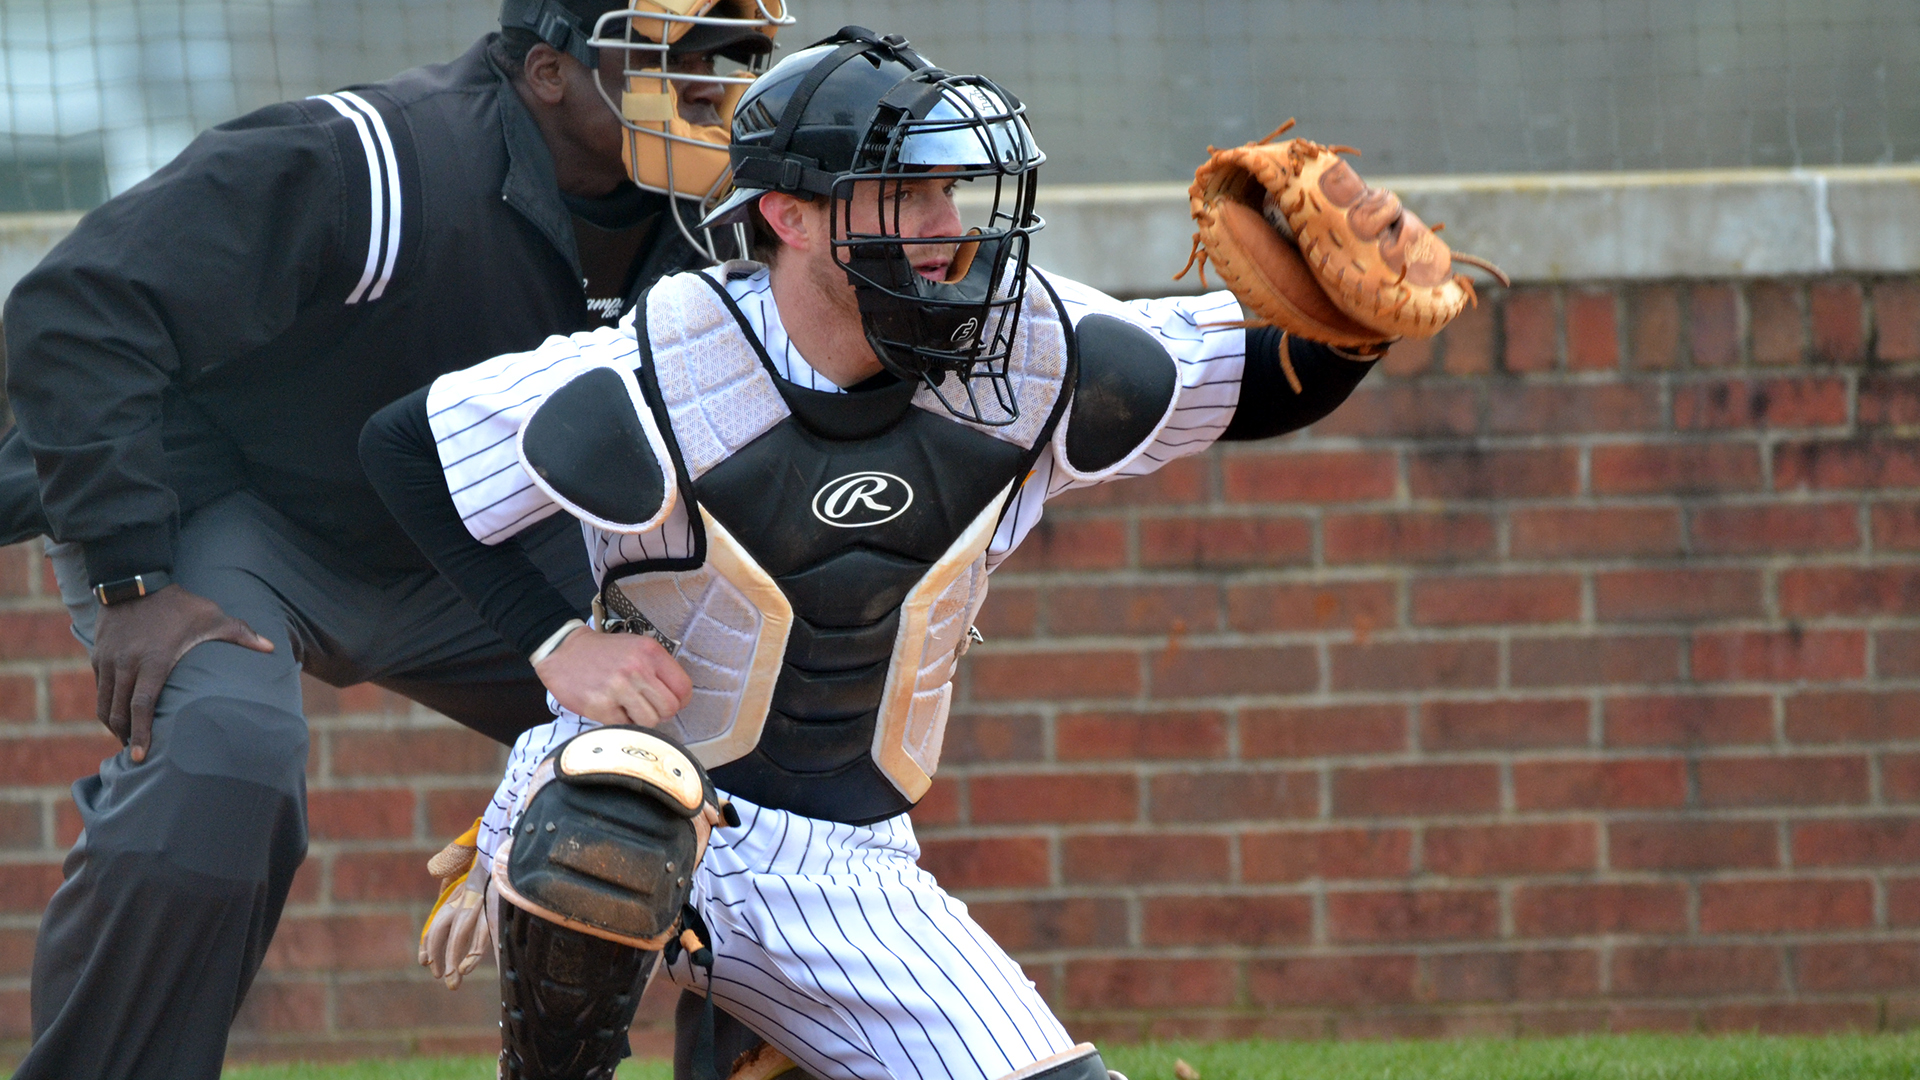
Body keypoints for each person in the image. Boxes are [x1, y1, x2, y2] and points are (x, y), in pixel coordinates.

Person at [361, 26, 1387, 1080]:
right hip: (641, 802)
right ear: (789, 216)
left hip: (848, 864)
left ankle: (777, 1040)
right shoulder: (670, 367)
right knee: (609, 822)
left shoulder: (1018, 350)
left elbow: (1257, 383)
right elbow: (401, 448)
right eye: (905, 195)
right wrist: (554, 643)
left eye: (951, 190)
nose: (946, 227)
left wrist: (1362, 319)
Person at [0, 1, 790, 1076]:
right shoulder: (372, 163)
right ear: (550, 71)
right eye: (676, 52)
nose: (715, 82)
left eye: (738, 55)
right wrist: (131, 579)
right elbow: (76, 306)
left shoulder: (728, 218)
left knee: (754, 756)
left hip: (464, 545)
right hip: (242, 513)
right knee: (225, 755)